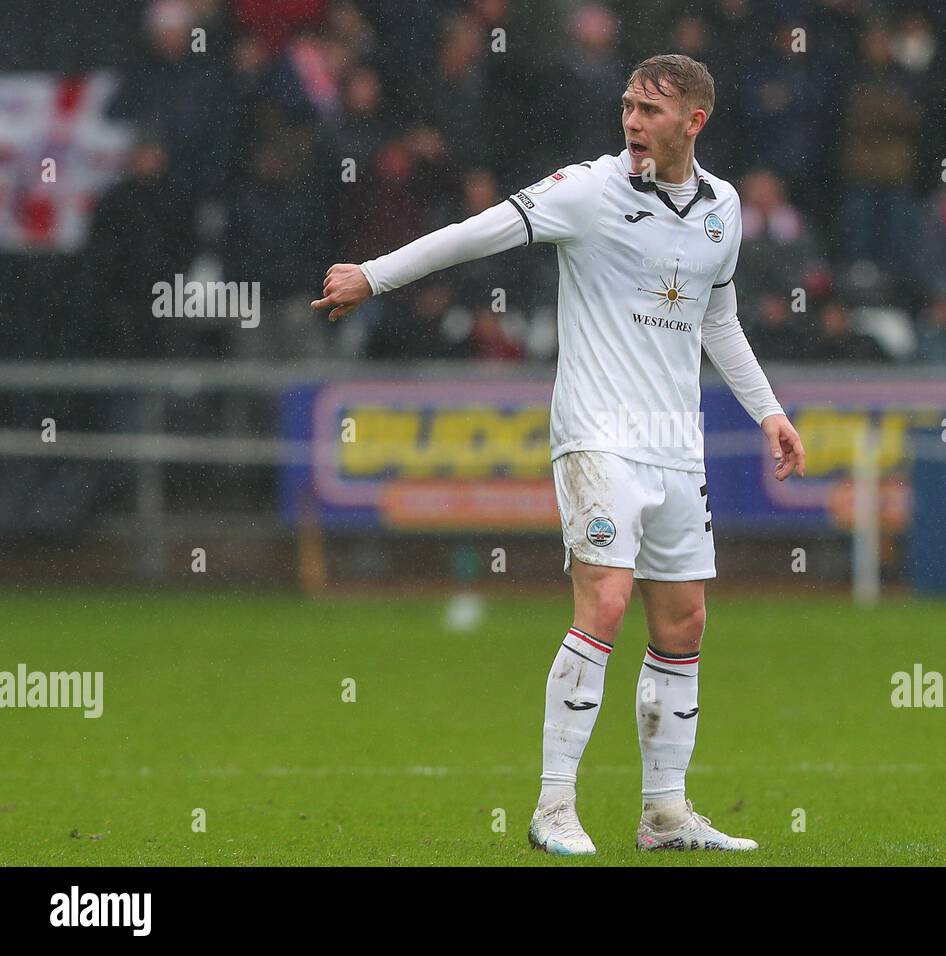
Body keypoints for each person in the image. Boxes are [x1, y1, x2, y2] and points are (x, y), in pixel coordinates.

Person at [311, 54, 806, 855]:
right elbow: (478, 234)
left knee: (684, 623)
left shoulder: (723, 208)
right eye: (629, 106)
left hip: (676, 447)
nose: (634, 122)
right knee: (606, 603)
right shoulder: (588, 188)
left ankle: (665, 814)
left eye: (651, 110)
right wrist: (374, 274)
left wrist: (770, 412)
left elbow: (719, 321)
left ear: (694, 122)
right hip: (597, 434)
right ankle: (552, 807)